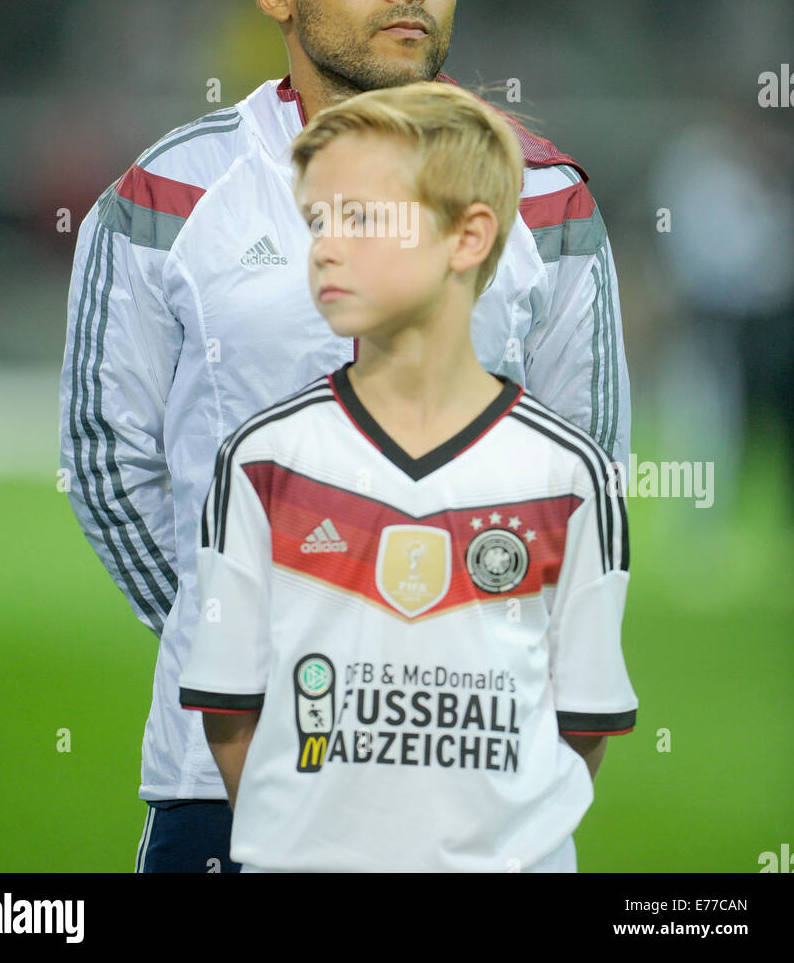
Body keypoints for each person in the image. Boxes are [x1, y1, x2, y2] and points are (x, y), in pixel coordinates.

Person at [58, 0, 631, 873]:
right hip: (228, 774)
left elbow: (589, 472)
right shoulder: (168, 197)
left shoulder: (545, 197)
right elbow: (108, 461)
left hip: (477, 775)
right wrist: (232, 630)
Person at [179, 81, 637, 873]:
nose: (321, 247)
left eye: (360, 218)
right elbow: (232, 713)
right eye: (316, 219)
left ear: (467, 240)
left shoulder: (566, 476)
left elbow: (579, 722)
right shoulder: (263, 463)